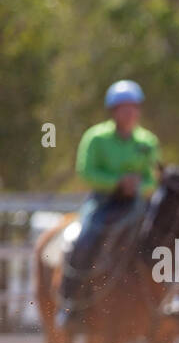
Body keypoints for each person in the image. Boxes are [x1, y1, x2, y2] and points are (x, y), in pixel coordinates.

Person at [58, 80, 160, 326]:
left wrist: (139, 187)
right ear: (113, 111)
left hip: (138, 203)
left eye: (133, 107)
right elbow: (86, 172)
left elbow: (154, 178)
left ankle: (166, 304)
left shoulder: (147, 141)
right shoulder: (95, 138)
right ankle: (70, 302)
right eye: (123, 107)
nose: (129, 112)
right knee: (84, 239)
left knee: (162, 241)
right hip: (103, 202)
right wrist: (117, 182)